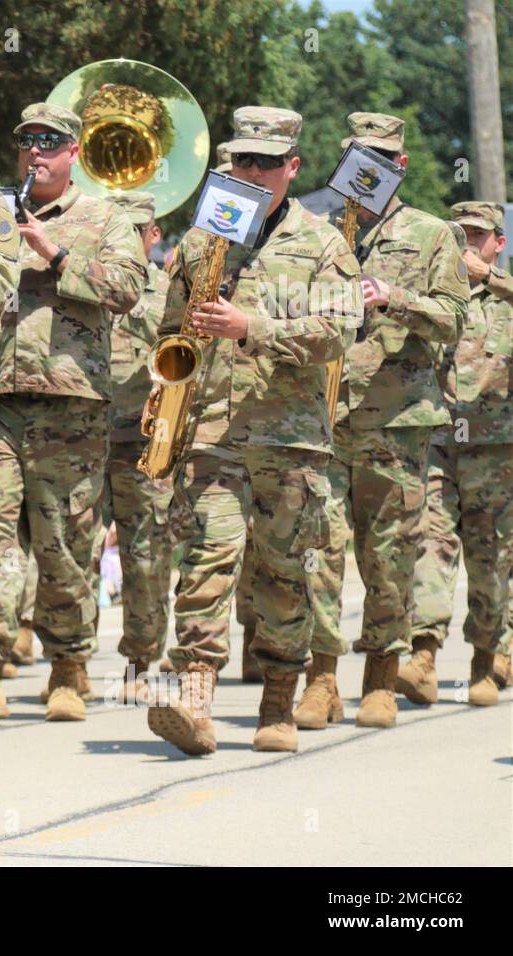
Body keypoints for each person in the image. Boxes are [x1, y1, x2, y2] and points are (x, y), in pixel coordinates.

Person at [144, 107, 361, 756]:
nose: (252, 172)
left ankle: (277, 703)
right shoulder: (203, 240)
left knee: (282, 573)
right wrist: (163, 394)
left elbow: (341, 331)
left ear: (292, 168)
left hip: (290, 440)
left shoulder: (323, 244)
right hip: (213, 433)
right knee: (206, 561)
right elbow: (171, 329)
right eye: (242, 161)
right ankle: (195, 702)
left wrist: (254, 329)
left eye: (266, 163)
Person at [0, 102, 146, 724]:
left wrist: (56, 254)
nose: (37, 153)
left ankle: (68, 664)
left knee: (64, 544)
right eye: (27, 142)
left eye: (50, 143)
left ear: (74, 153)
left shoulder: (105, 217)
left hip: (71, 403)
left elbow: (128, 289)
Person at [298, 113, 468, 731]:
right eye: (355, 159)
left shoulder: (431, 235)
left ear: (398, 167)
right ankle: (320, 679)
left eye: (378, 159)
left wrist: (392, 296)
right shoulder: (316, 232)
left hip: (395, 423)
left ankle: (380, 677)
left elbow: (454, 318)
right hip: (322, 418)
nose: (365, 170)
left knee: (389, 556)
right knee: (319, 550)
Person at [402, 201, 511, 707]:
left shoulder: (505, 297)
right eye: (459, 235)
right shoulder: (438, 294)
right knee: (429, 545)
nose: (467, 244)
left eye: (477, 235)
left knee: (490, 560)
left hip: (494, 449)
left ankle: (486, 657)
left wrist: (492, 278)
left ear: (498, 242)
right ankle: (423, 653)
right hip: (439, 440)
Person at [103, 190, 174, 703]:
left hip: (144, 435)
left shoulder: (171, 290)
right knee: (61, 544)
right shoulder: (86, 280)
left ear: (153, 236)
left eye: (134, 232)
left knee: (146, 550)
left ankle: (140, 660)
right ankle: (67, 665)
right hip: (80, 429)